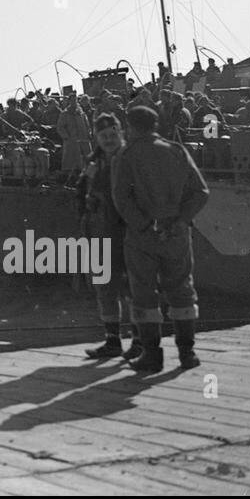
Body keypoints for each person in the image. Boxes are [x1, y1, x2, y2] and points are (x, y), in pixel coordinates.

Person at [111, 105, 209, 374]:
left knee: (144, 293)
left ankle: (152, 356)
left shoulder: (127, 155)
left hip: (143, 236)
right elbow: (201, 192)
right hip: (176, 233)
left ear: (130, 126)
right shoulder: (177, 150)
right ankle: (187, 353)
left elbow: (121, 198)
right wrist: (179, 220)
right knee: (182, 289)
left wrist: (143, 224)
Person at [78, 113, 139, 361]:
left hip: (125, 233)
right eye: (104, 136)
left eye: (113, 135)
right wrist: (86, 182)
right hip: (100, 233)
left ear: (120, 133)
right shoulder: (94, 160)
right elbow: (79, 193)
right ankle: (113, 341)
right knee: (105, 289)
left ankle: (139, 341)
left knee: (131, 290)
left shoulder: (129, 158)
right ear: (97, 137)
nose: (109, 140)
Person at [56, 95, 91, 180]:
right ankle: (69, 179)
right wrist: (66, 137)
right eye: (72, 100)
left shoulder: (81, 113)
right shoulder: (65, 114)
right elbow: (60, 127)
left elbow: (87, 125)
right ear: (69, 101)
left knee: (87, 160)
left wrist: (89, 133)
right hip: (71, 141)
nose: (74, 102)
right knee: (70, 162)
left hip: (84, 140)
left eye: (75, 100)